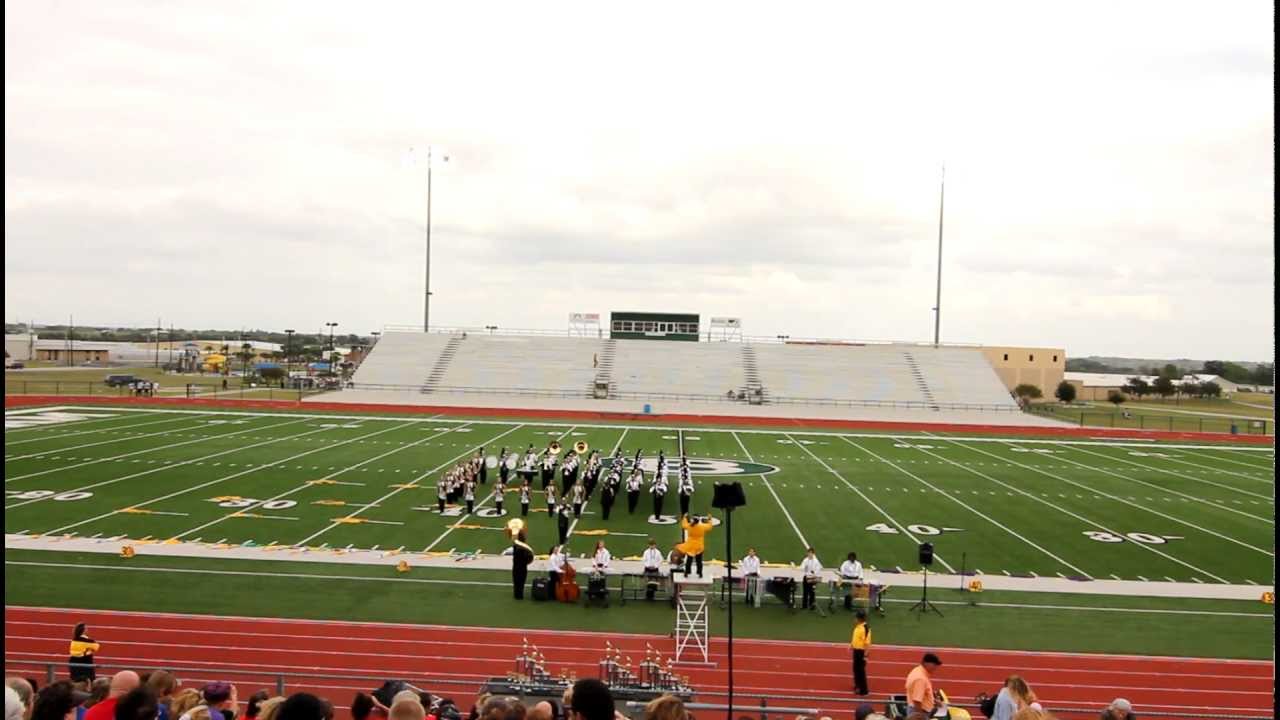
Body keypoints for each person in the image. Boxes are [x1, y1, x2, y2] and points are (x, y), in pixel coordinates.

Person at [904, 654, 942, 720]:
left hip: (916, 711)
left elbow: (921, 694)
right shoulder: (920, 678)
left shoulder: (918, 671)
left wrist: (933, 700)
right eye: (934, 665)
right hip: (919, 712)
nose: (936, 667)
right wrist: (920, 717)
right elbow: (917, 700)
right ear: (926, 663)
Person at [850, 611, 872, 696]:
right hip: (856, 651)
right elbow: (856, 638)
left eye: (856, 617)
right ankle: (857, 685)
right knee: (855, 669)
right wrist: (851, 645)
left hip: (861, 652)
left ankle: (864, 690)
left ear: (860, 619)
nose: (854, 619)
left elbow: (867, 643)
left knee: (861, 671)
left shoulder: (865, 629)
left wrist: (865, 655)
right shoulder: (858, 627)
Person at [511, 525, 534, 600]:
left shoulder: (515, 547)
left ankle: (517, 594)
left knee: (516, 581)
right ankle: (520, 595)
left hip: (515, 567)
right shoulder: (524, 549)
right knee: (521, 581)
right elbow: (527, 557)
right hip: (522, 567)